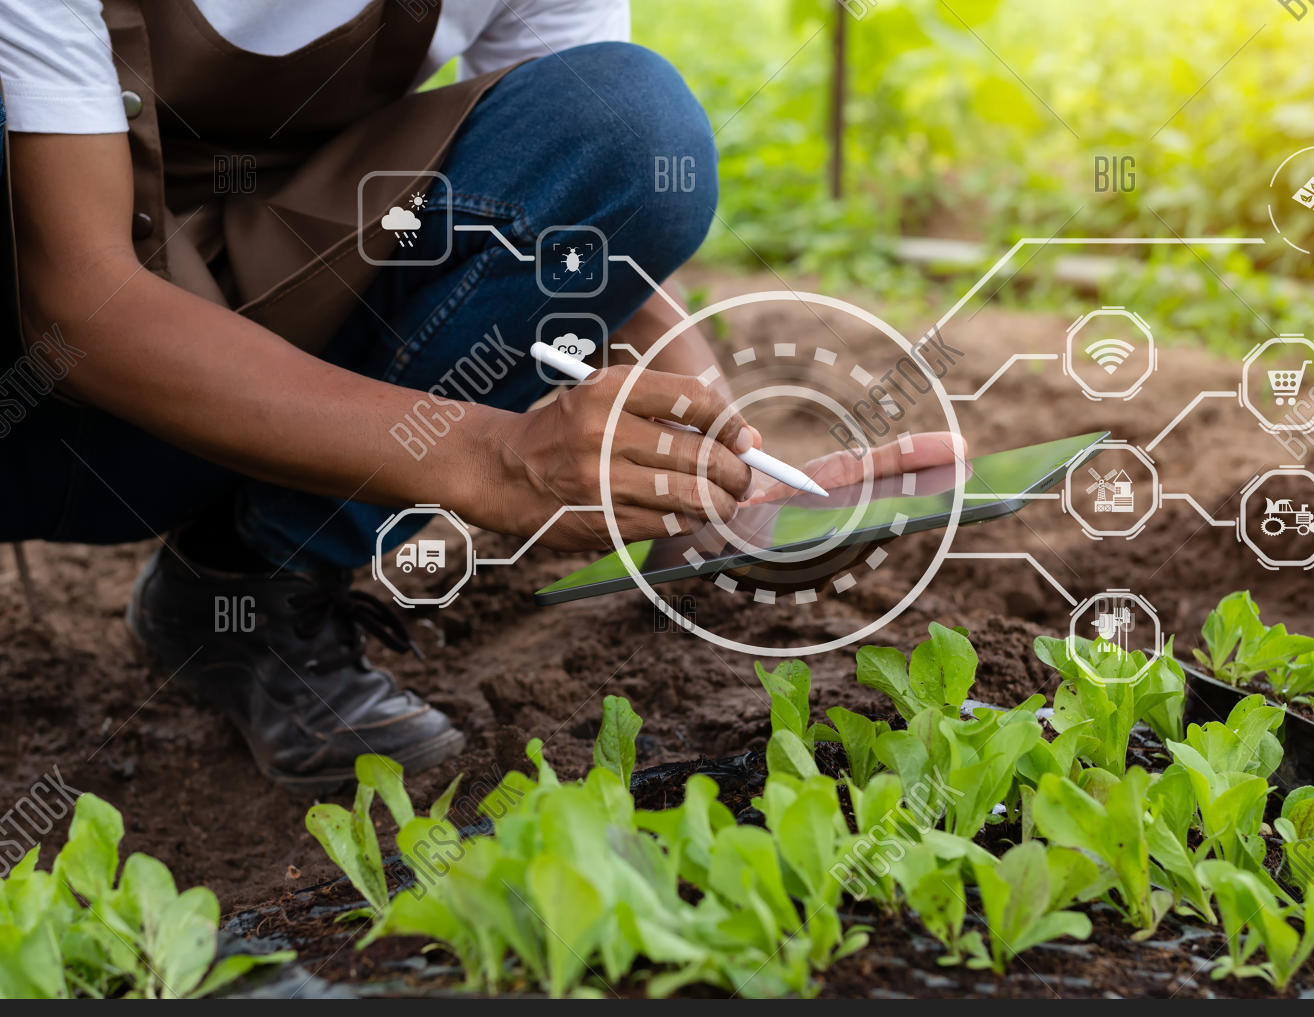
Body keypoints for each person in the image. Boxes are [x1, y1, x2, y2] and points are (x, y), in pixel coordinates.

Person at [0, 1, 957, 793]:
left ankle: (244, 581)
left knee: (624, 122)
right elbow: (82, 308)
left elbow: (596, 200)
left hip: (260, 338)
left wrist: (714, 469)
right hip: (49, 417)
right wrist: (486, 453)